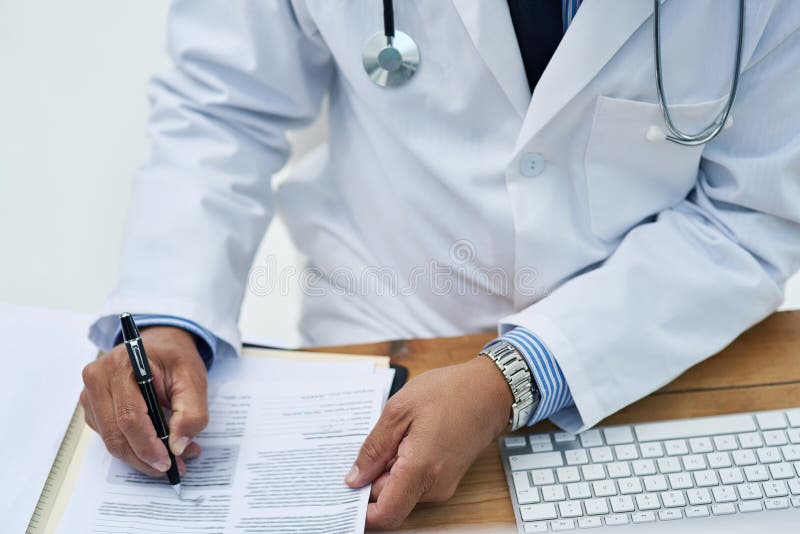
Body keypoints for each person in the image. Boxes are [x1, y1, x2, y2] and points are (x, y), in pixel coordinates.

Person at [79, 0, 800, 529]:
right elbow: (224, 107)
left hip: (650, 352)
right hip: (390, 324)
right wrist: (171, 314)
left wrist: (515, 374)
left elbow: (749, 216)